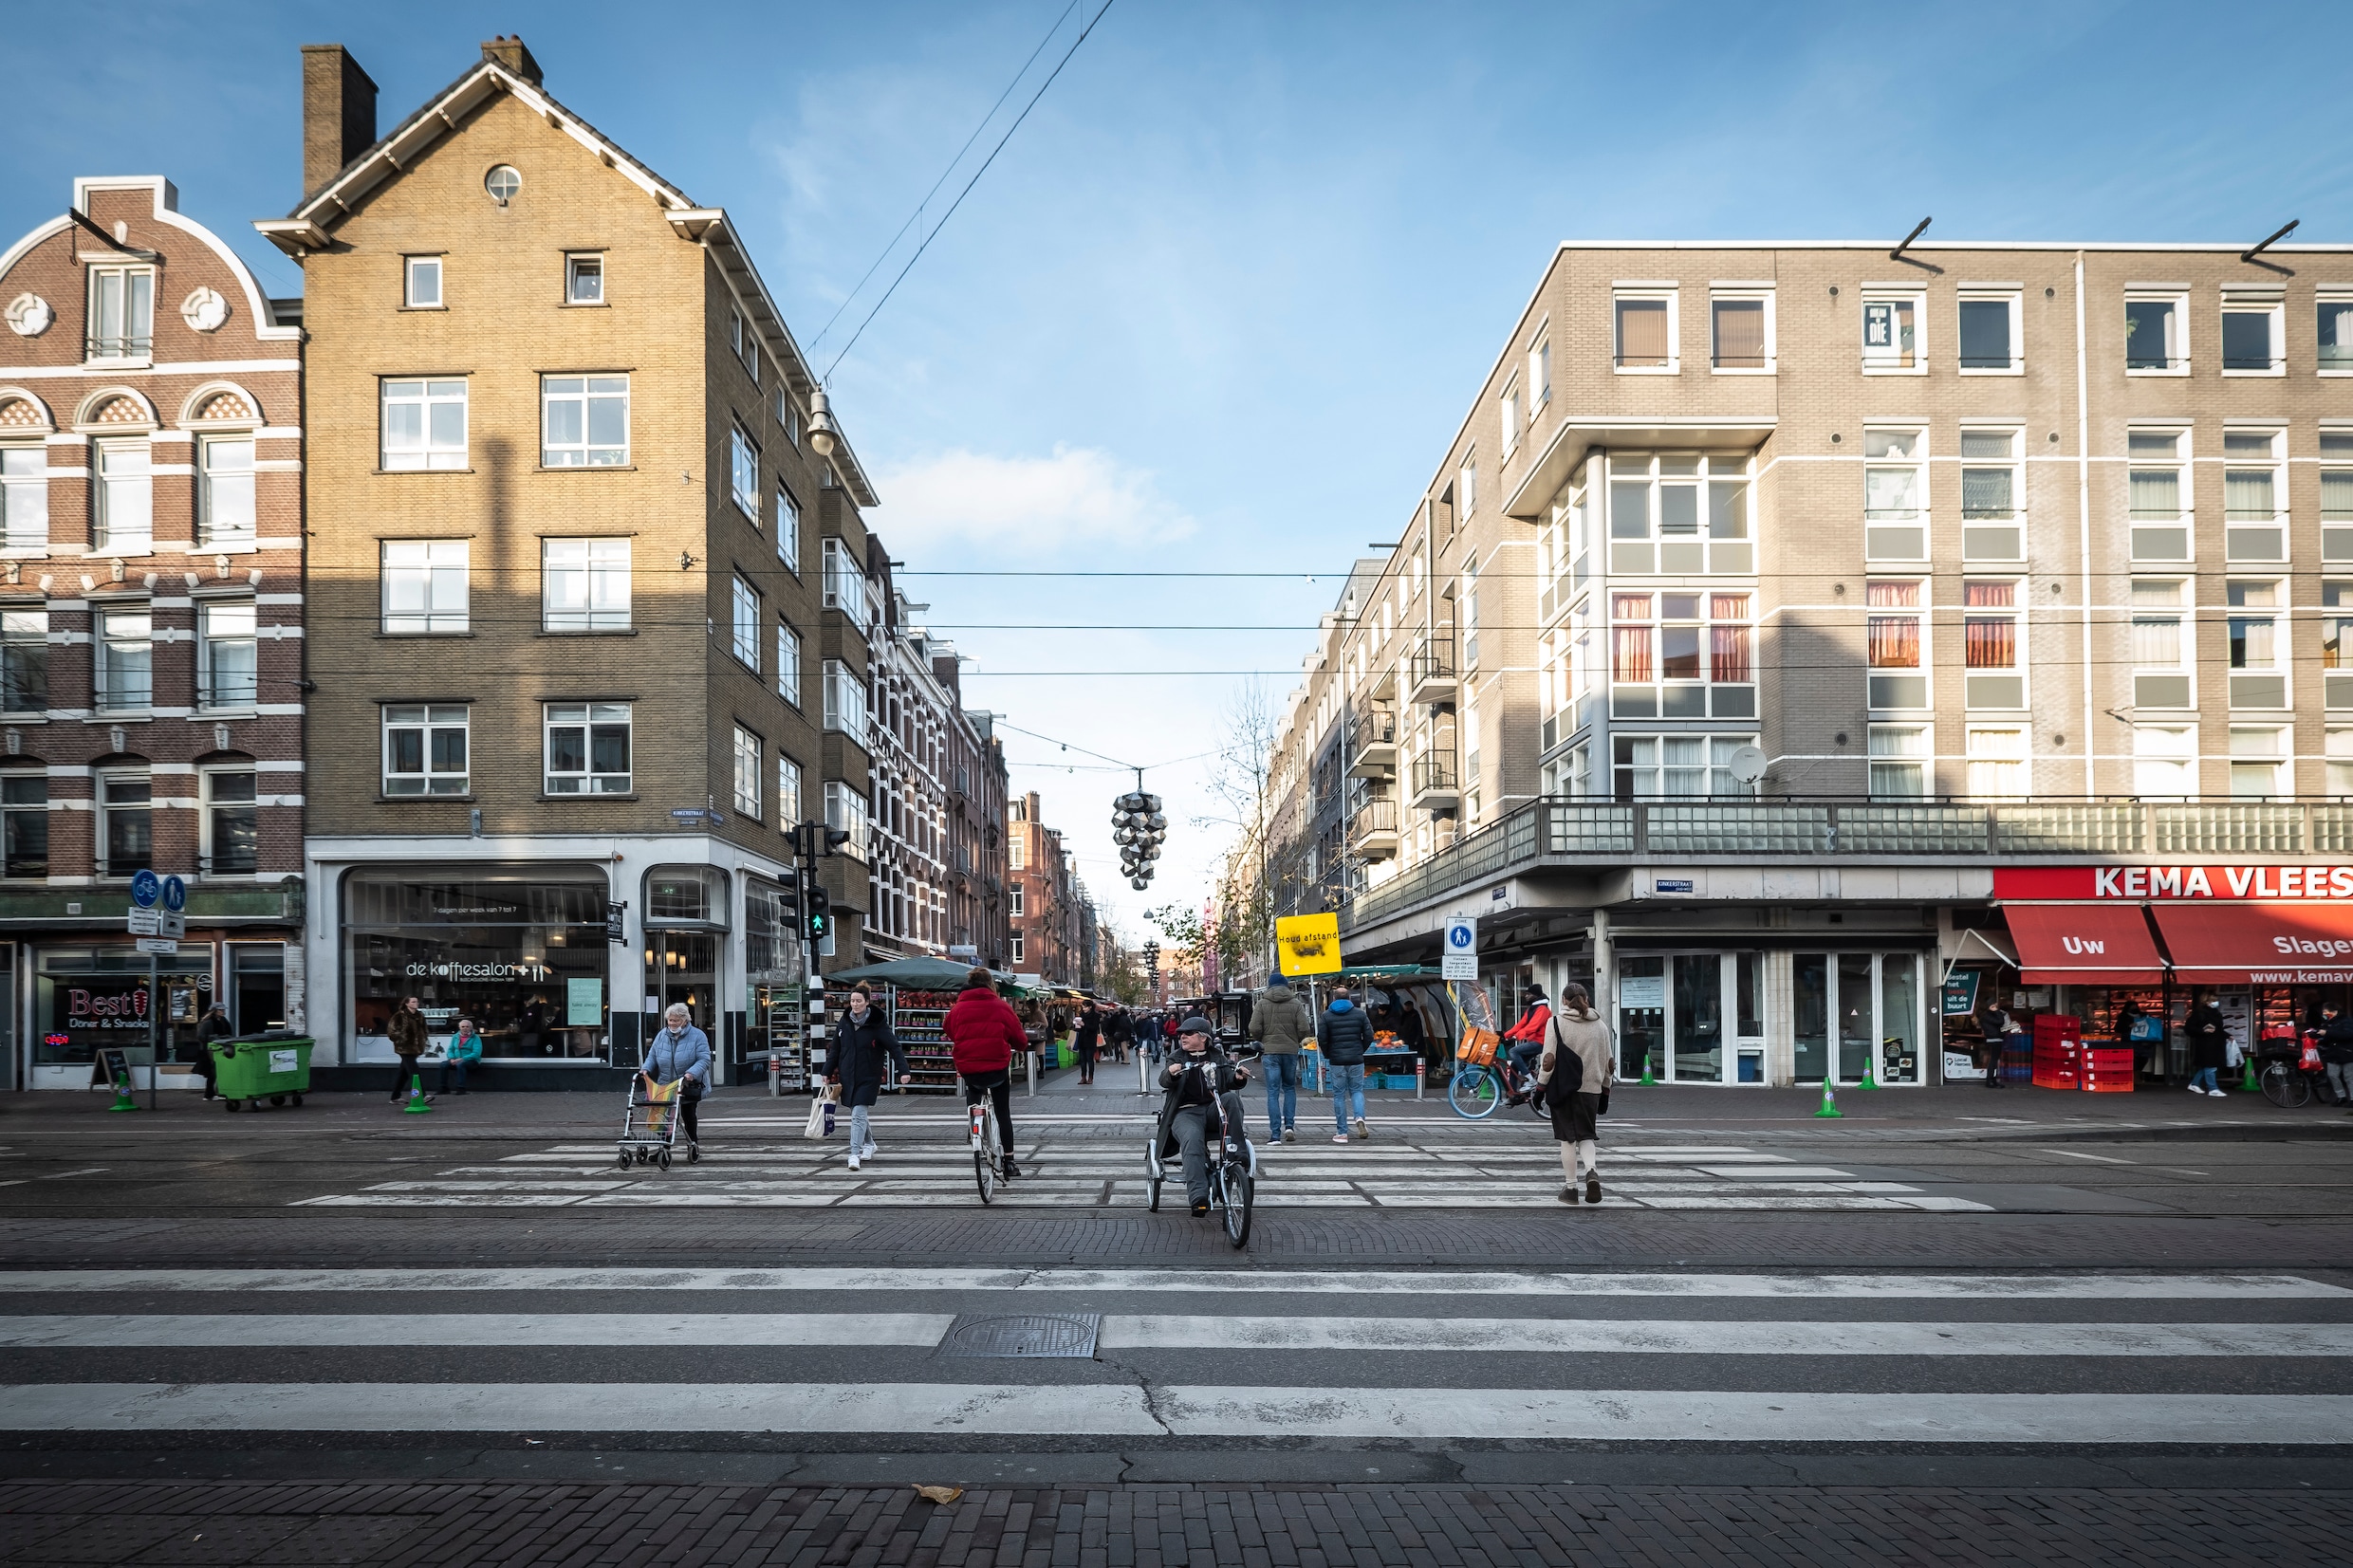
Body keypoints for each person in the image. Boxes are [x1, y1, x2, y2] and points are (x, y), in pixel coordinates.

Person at [1156, 1014, 1251, 1216]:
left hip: (1212, 1108)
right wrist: (1171, 1073)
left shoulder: (1217, 1057)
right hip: (1185, 1112)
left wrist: (1238, 1077)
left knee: (1231, 1099)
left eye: (1188, 1034)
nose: (1182, 1037)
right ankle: (1198, 1197)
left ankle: (1238, 1154)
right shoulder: (1176, 1057)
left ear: (1203, 1038)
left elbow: (1230, 1080)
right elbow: (1164, 1080)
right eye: (1181, 1034)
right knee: (1191, 1139)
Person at [945, 967, 1026, 1179]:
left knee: (974, 1091)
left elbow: (948, 1028)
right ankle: (1009, 1161)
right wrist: (1018, 1045)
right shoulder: (1001, 1007)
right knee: (1002, 1112)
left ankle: (973, 1126)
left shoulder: (958, 1008)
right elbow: (1019, 1037)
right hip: (997, 1067)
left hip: (968, 1066)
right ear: (991, 984)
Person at [1539, 984, 1617, 1205]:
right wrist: (1605, 1088)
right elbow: (1608, 1062)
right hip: (1591, 1090)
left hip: (1563, 1089)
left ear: (1564, 1000)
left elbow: (1549, 1059)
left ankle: (1571, 1189)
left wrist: (1540, 1087)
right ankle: (1591, 1171)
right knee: (1587, 1135)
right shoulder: (1600, 1025)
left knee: (1567, 1139)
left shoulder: (1555, 1023)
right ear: (1586, 999)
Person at [828, 984, 906, 1171]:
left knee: (857, 1115)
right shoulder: (844, 1022)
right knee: (858, 1114)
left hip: (869, 1076)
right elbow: (836, 1049)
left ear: (867, 1003)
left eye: (859, 1001)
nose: (855, 1004)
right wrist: (826, 1071)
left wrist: (903, 1071)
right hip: (848, 1076)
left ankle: (853, 1154)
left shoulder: (877, 1024)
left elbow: (894, 1047)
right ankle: (870, 1144)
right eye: (852, 1001)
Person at [1247, 975, 1312, 1143]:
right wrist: (1295, 1040)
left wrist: (1262, 1039)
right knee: (1290, 1088)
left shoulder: (1262, 1004)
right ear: (1286, 986)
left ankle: (1275, 1134)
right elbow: (1304, 1028)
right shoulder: (1296, 1003)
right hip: (1290, 1051)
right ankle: (1289, 1127)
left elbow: (1253, 1027)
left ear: (1269, 986)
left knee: (1273, 1093)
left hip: (1270, 1052)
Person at [639, 1003, 711, 1145]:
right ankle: (664, 1148)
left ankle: (693, 1144)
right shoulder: (662, 1035)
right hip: (666, 1084)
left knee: (688, 1114)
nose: (672, 1023)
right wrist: (645, 1069)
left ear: (685, 1020)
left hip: (688, 1084)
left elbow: (704, 1059)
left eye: (676, 1020)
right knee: (664, 1117)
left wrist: (691, 1073)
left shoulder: (697, 1036)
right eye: (670, 1020)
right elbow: (652, 1056)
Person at [1317, 983, 1375, 1142]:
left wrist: (1329, 1054)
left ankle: (1342, 1132)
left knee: (1339, 1095)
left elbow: (1322, 1038)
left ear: (1333, 998)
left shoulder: (1326, 1016)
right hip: (1356, 1059)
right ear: (1349, 998)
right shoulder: (1360, 1014)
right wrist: (1360, 1049)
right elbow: (1370, 1035)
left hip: (1336, 1060)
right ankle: (1360, 1118)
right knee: (1357, 1091)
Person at [1502, 985, 1552, 1100]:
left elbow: (1532, 1027)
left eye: (1528, 994)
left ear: (1536, 996)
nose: (1526, 996)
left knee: (1513, 1052)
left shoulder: (1543, 1010)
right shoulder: (1532, 1009)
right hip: (1533, 1041)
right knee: (1514, 1065)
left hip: (1540, 1042)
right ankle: (1513, 1096)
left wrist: (1515, 1037)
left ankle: (1530, 1080)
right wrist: (1505, 1036)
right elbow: (1520, 1024)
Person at [386, 995, 433, 1104]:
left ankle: (395, 1097)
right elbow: (391, 1032)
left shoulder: (419, 1015)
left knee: (403, 1073)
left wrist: (424, 1038)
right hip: (404, 1048)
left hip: (416, 1047)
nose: (416, 1003)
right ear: (407, 1003)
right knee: (414, 1072)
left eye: (416, 1001)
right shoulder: (400, 1016)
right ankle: (423, 1095)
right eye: (413, 1002)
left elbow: (424, 1029)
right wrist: (402, 1038)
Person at [2183, 993, 2230, 1097]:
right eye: (2213, 1001)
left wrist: (2228, 1036)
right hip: (2205, 1044)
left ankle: (2194, 1084)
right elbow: (2189, 1028)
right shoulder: (2200, 1013)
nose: (2215, 1003)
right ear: (2207, 1002)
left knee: (2207, 1066)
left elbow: (2219, 1029)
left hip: (2214, 1043)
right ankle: (2213, 1088)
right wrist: (2203, 1031)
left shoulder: (2216, 1013)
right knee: (2211, 1066)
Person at [193, 1003, 234, 1101]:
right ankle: (209, 1094)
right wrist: (214, 1037)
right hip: (210, 1050)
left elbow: (228, 1033)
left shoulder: (224, 1021)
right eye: (221, 1010)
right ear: (215, 1011)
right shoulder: (208, 1022)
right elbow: (200, 1036)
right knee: (212, 1072)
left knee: (220, 1071)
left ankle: (218, 1092)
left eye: (223, 1010)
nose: (223, 1011)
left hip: (222, 1049)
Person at [2316, 1002, 2353, 1110]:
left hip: (2347, 1052)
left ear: (2334, 1012)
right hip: (2333, 1053)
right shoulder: (2328, 1022)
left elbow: (2348, 1034)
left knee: (2349, 1077)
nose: (2324, 1014)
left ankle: (2352, 1099)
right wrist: (2315, 1034)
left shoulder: (2346, 1021)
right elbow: (2325, 1035)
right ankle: (2340, 1096)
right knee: (2332, 1075)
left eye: (2326, 1012)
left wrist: (2326, 1033)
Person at [439, 1017, 485, 1095]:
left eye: (467, 1027)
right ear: (459, 1028)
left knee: (461, 1064)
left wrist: (462, 1059)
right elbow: (451, 1049)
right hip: (456, 1059)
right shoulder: (455, 1037)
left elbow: (476, 1053)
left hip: (472, 1061)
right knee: (443, 1065)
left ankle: (461, 1088)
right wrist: (451, 1059)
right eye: (463, 1027)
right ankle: (444, 1088)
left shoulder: (476, 1038)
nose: (465, 1028)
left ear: (471, 1028)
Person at [1073, 1000, 1102, 1085]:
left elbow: (1094, 1028)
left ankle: (1090, 1077)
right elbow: (1078, 1028)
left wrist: (1084, 1024)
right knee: (1082, 1060)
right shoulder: (1081, 1015)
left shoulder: (1096, 1016)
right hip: (1082, 1039)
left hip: (1090, 1040)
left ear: (1090, 1007)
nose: (1084, 1009)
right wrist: (1076, 1025)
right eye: (1083, 1007)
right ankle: (1083, 1077)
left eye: (1085, 1007)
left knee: (1090, 1060)